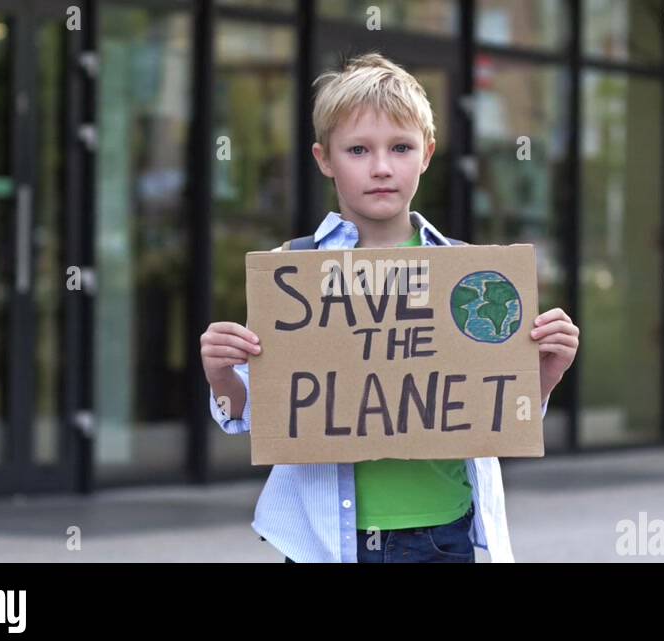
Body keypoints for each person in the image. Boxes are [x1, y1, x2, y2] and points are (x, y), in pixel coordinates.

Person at [200, 52, 579, 563]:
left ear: (427, 154)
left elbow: (496, 411)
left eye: (400, 147)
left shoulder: (468, 275)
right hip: (325, 543)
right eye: (358, 149)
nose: (381, 167)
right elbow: (248, 414)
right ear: (324, 159)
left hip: (443, 537)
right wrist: (222, 376)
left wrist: (546, 374)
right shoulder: (293, 272)